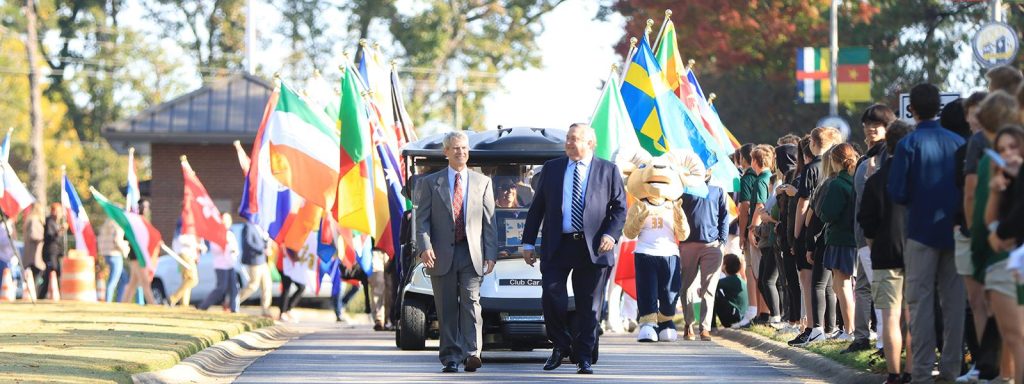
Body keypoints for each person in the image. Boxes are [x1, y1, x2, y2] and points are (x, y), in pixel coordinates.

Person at [521, 123, 626, 375]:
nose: (568, 143)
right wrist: (527, 242)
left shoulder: (608, 171)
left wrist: (611, 235)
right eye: (567, 139)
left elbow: (620, 208)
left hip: (594, 248)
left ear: (590, 143)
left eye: (574, 139)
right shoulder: (553, 168)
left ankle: (584, 356)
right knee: (551, 295)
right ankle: (560, 344)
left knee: (588, 306)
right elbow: (538, 208)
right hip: (558, 245)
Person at [888, 83, 966, 383]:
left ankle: (920, 371)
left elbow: (897, 191)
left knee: (919, 302)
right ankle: (952, 368)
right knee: (954, 301)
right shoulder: (958, 141)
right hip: (954, 228)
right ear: (940, 107)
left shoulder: (908, 145)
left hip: (920, 230)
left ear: (912, 110)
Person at [414, 130, 497, 373]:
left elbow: (490, 222)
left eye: (464, 148)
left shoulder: (483, 182)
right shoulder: (430, 182)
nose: (461, 152)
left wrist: (491, 253)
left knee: (472, 304)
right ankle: (450, 356)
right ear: (446, 152)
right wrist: (424, 247)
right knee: (447, 307)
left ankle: (472, 353)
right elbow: (422, 221)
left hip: (471, 253)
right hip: (440, 254)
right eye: (456, 148)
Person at [860, 121, 915, 384]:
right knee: (913, 315)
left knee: (890, 317)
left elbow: (867, 223)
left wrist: (874, 246)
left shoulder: (876, 180)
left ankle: (893, 374)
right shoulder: (920, 178)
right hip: (917, 252)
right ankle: (912, 372)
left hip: (884, 253)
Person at [847, 103, 895, 354]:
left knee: (882, 292)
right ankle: (864, 338)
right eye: (867, 126)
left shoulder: (886, 155)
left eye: (876, 125)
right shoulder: (867, 157)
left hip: (877, 236)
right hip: (862, 235)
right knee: (866, 288)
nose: (870, 130)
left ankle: (884, 344)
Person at [983, 126, 1024, 384]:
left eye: (1013, 146)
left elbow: (1003, 229)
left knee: (1018, 338)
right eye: (1002, 149)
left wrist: (999, 234)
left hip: (1015, 261)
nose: (1008, 153)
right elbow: (990, 224)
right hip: (1013, 261)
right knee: (1013, 336)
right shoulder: (1007, 180)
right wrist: (996, 191)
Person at [680, 170, 729, 341]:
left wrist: (722, 240)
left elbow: (724, 216)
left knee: (709, 287)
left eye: (708, 167)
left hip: (712, 245)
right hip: (687, 243)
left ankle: (705, 327)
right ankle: (688, 324)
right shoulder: (685, 187)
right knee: (687, 286)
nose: (705, 170)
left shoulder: (717, 189)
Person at [818, 143, 860, 342]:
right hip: (855, 237)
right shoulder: (857, 179)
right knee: (847, 285)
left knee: (841, 285)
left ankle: (849, 329)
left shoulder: (837, 184)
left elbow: (828, 213)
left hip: (840, 238)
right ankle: (849, 328)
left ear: (835, 161)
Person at [198, 213, 240, 312]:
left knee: (234, 288)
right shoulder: (217, 234)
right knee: (221, 288)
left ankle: (234, 309)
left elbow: (235, 248)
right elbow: (214, 249)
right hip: (221, 265)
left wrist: (233, 251)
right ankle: (203, 306)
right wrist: (224, 247)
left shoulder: (230, 234)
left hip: (230, 264)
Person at [238, 220, 272, 317]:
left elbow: (263, 241)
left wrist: (267, 241)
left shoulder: (261, 228)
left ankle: (266, 310)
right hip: (255, 261)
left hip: (263, 261)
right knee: (253, 285)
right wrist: (262, 250)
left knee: (267, 286)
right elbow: (248, 243)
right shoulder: (248, 226)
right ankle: (234, 301)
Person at [169, 226, 205, 307]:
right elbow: (180, 239)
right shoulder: (186, 223)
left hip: (190, 256)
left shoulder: (195, 226)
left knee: (186, 279)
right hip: (185, 254)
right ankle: (174, 297)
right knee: (192, 279)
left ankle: (184, 305)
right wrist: (196, 245)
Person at [38, 203, 67, 300]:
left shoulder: (55, 222)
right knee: (49, 273)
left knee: (54, 272)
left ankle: (48, 294)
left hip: (55, 252)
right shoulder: (49, 221)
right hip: (50, 252)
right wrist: (59, 231)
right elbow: (50, 237)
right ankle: (42, 295)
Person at [97, 219, 130, 303]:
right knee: (113, 281)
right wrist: (126, 248)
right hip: (115, 255)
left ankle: (119, 300)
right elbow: (117, 241)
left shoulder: (105, 226)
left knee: (124, 278)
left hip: (106, 255)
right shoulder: (117, 226)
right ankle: (108, 302)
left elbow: (99, 241)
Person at [714, 253, 748, 328]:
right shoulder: (739, 279)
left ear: (725, 266)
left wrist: (701, 290)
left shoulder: (730, 280)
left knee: (713, 292)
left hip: (735, 318)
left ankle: (712, 325)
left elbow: (711, 286)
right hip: (741, 317)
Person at [22, 204, 44, 293]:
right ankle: (34, 292)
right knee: (36, 273)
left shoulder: (30, 220)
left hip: (32, 253)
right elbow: (33, 235)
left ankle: (33, 291)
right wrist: (42, 238)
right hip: (33, 253)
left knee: (34, 273)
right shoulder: (34, 221)